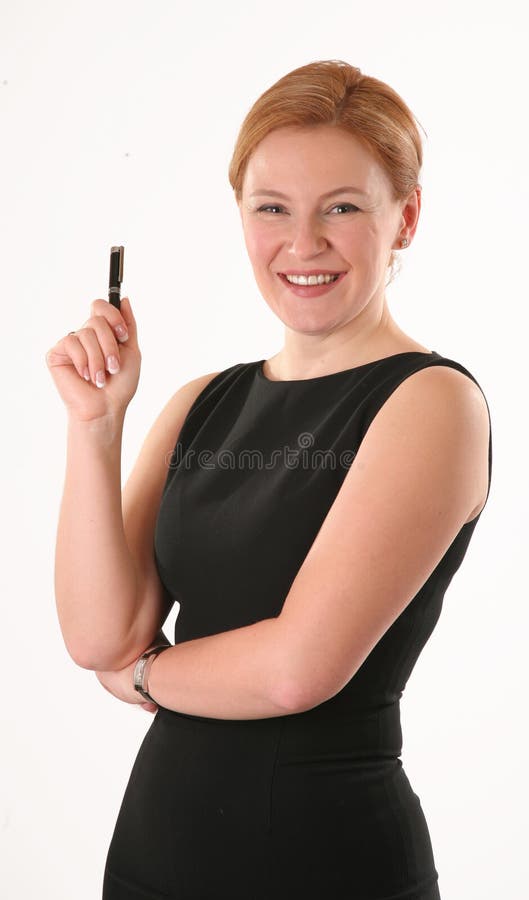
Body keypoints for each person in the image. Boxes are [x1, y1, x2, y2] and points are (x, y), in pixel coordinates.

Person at [45, 59, 492, 900]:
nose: (303, 243)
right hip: (153, 855)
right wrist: (95, 426)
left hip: (327, 863)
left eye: (342, 208)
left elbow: (296, 670)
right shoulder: (200, 402)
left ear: (405, 217)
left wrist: (143, 677)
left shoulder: (431, 403)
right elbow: (97, 635)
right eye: (271, 208)